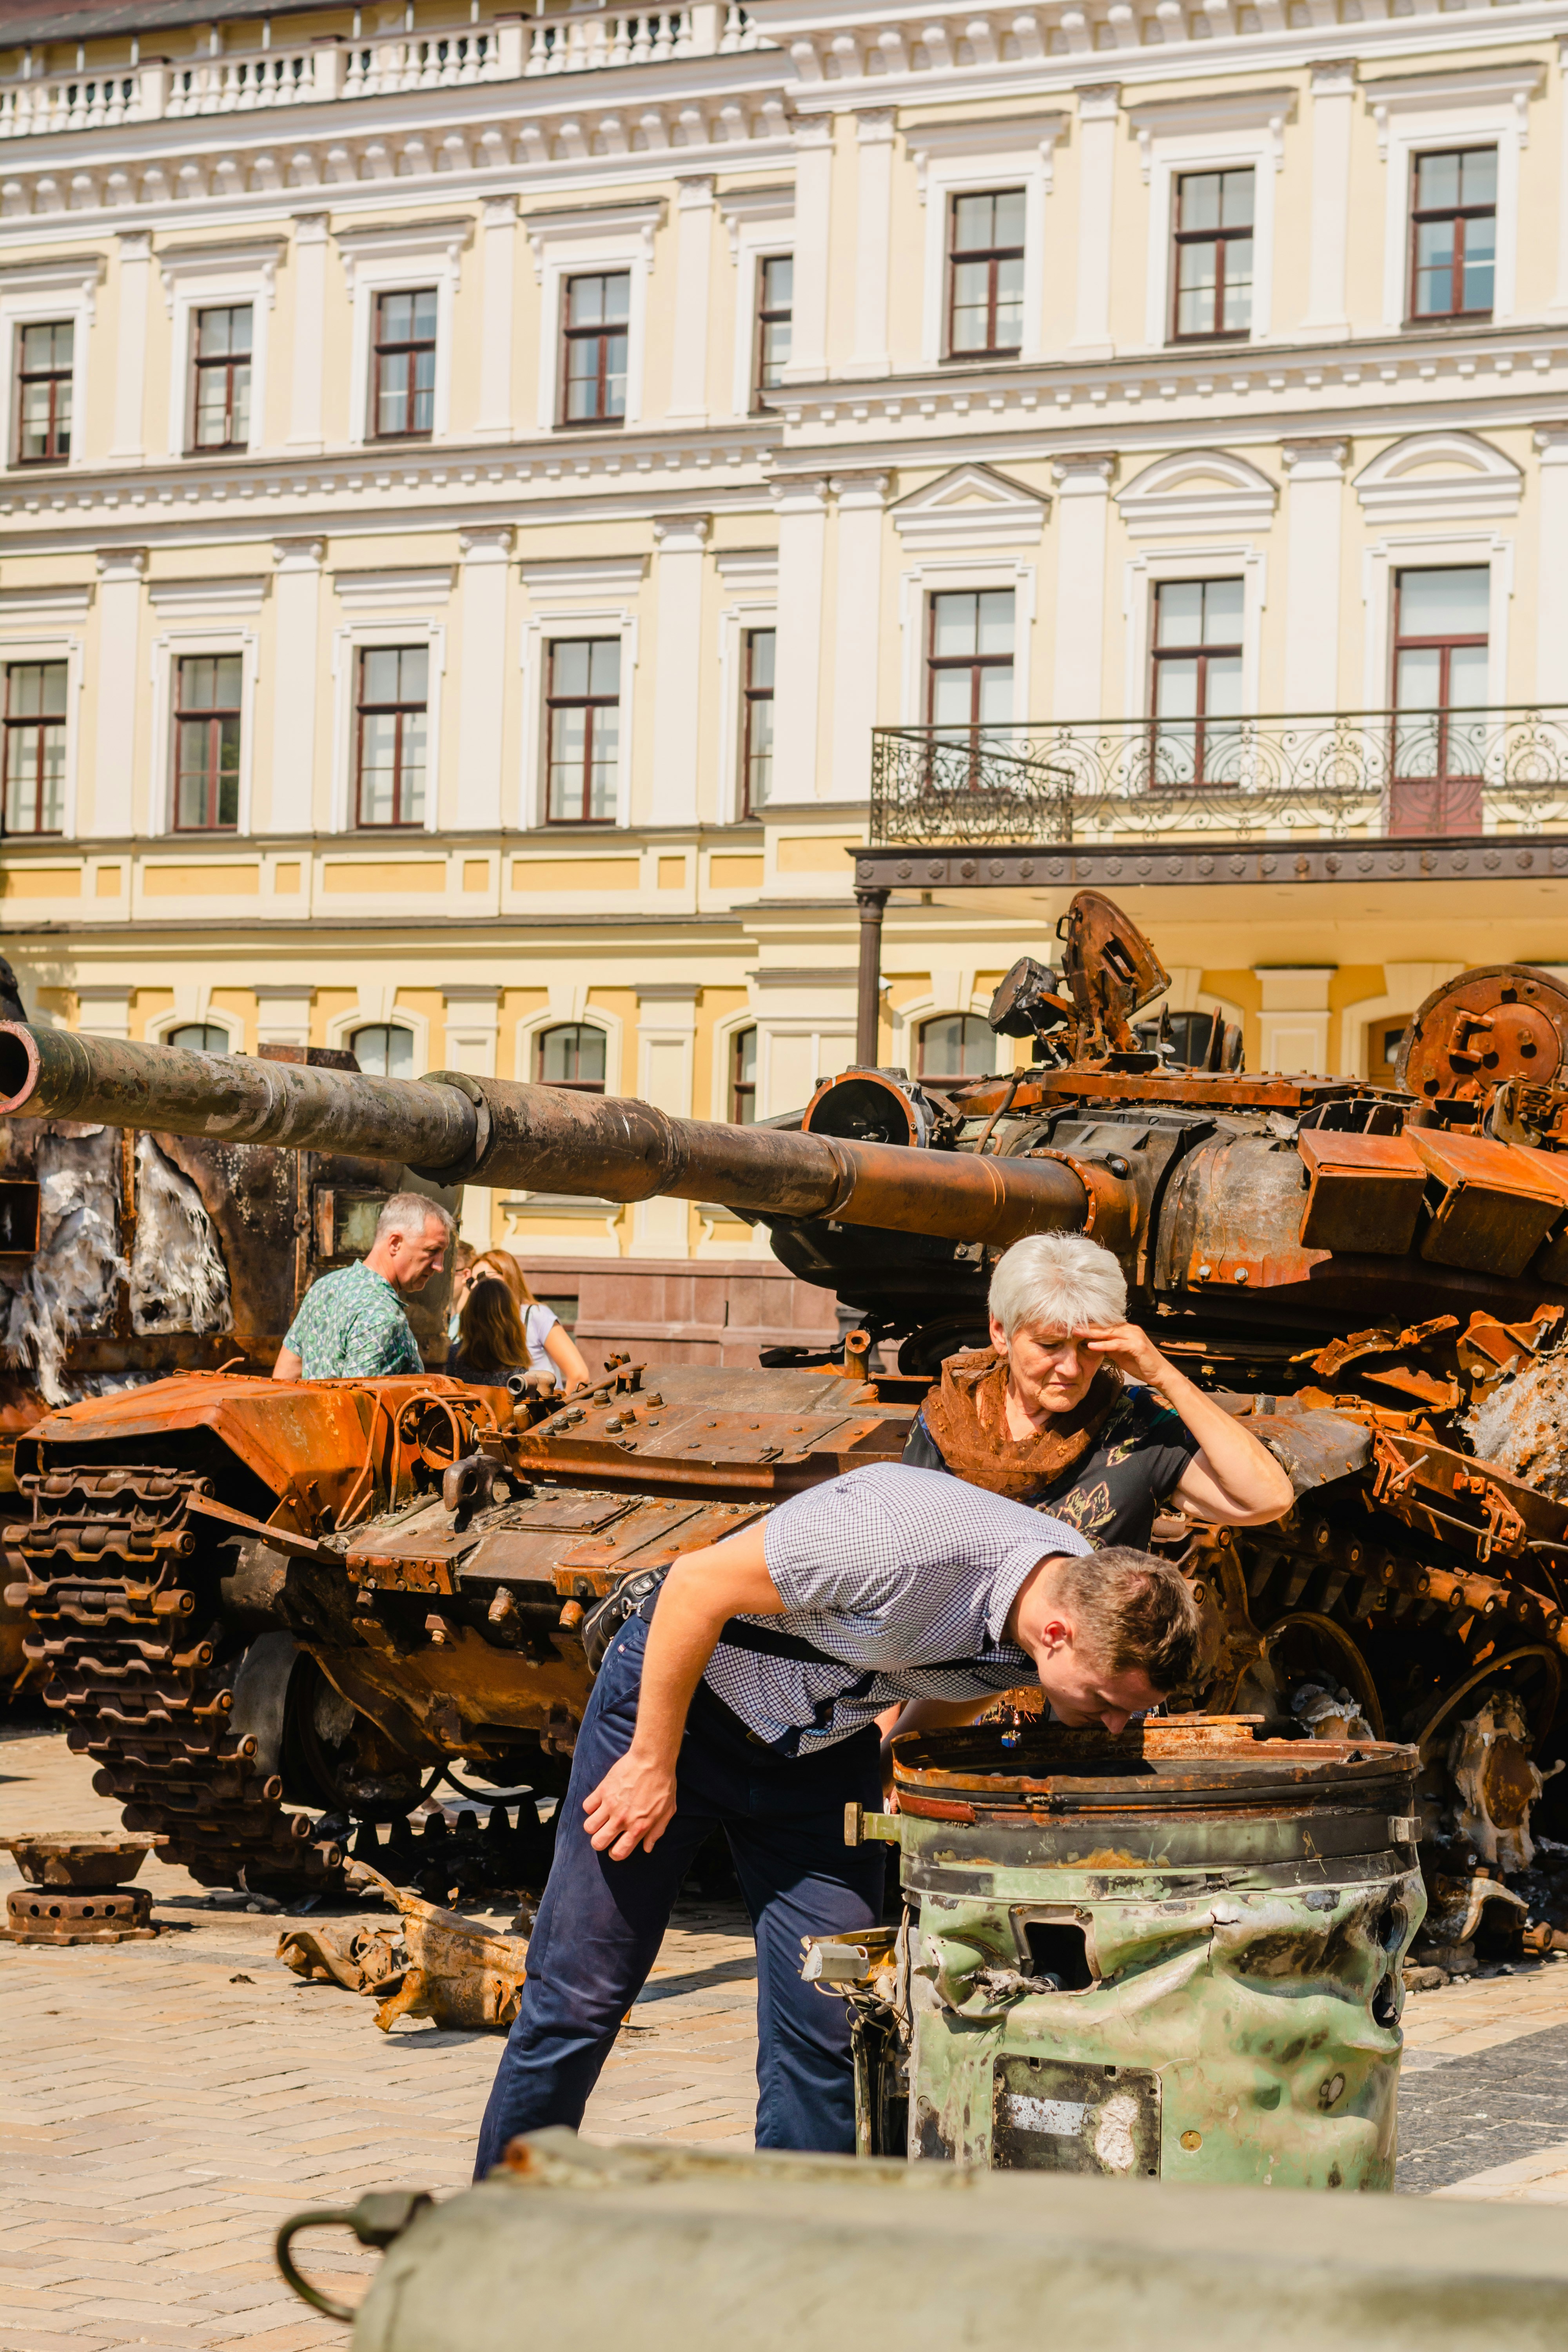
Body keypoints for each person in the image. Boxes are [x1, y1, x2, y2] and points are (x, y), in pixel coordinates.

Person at [473, 1459, 1203, 2174]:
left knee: (830, 2017)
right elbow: (693, 1587)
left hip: (822, 1752)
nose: (1111, 1727)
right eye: (1108, 1703)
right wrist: (650, 1762)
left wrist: (892, 1751)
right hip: (683, 1715)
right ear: (1056, 1634)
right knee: (580, 1995)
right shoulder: (894, 1540)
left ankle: (802, 2249)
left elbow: (972, 1670)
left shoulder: (1066, 1596)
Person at [902, 1231, 1293, 1545]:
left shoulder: (1138, 1429)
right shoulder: (950, 1419)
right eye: (1049, 1345)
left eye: (1089, 1346)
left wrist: (1165, 1376)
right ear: (1000, 1333)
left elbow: (1266, 1500)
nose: (1072, 1368)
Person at [272, 1192, 452, 1381]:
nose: (439, 1267)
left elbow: (286, 1377)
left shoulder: (326, 1287)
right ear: (395, 1243)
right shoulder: (382, 1317)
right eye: (432, 1251)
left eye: (442, 1254)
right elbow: (360, 1406)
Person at [461, 1247, 591, 1394]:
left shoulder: (536, 1314)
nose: (475, 1286)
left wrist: (559, 1413)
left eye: (483, 1277)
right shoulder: (477, 1323)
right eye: (472, 1281)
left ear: (508, 1275)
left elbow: (579, 1376)